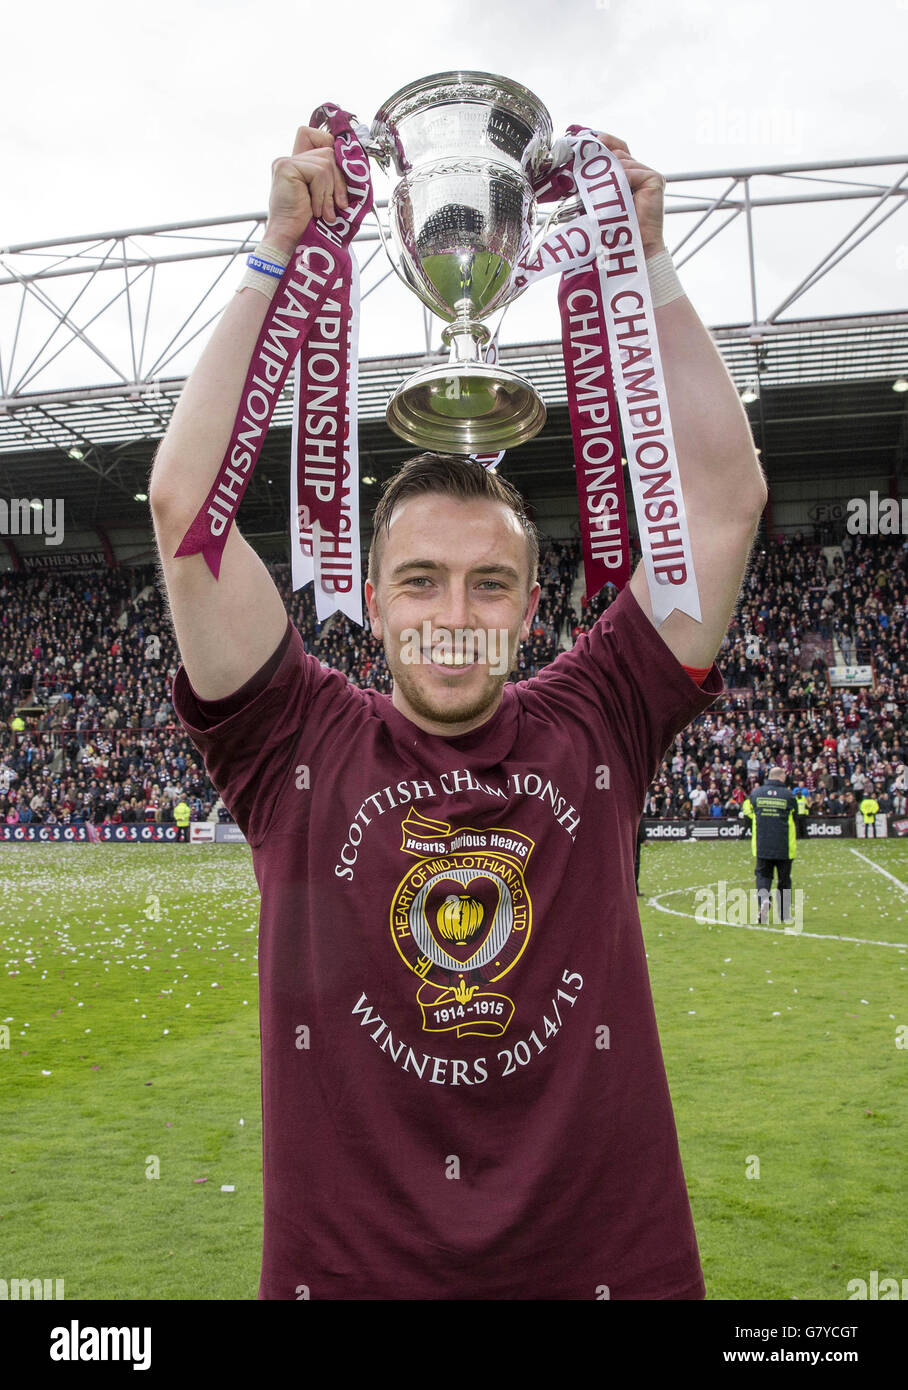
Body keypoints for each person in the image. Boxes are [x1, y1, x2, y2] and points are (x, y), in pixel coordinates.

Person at [150, 122, 766, 1300]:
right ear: (371, 600)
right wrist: (277, 254)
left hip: (604, 1275)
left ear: (533, 604)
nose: (452, 612)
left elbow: (724, 502)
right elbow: (186, 513)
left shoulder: (599, 719)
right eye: (421, 581)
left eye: (487, 582)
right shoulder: (294, 742)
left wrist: (648, 265)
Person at [741, 767, 798, 923]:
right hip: (784, 844)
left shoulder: (756, 793)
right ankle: (784, 915)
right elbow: (796, 815)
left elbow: (751, 811)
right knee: (784, 880)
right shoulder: (788, 795)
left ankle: (764, 899)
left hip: (762, 843)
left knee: (763, 876)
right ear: (781, 777)